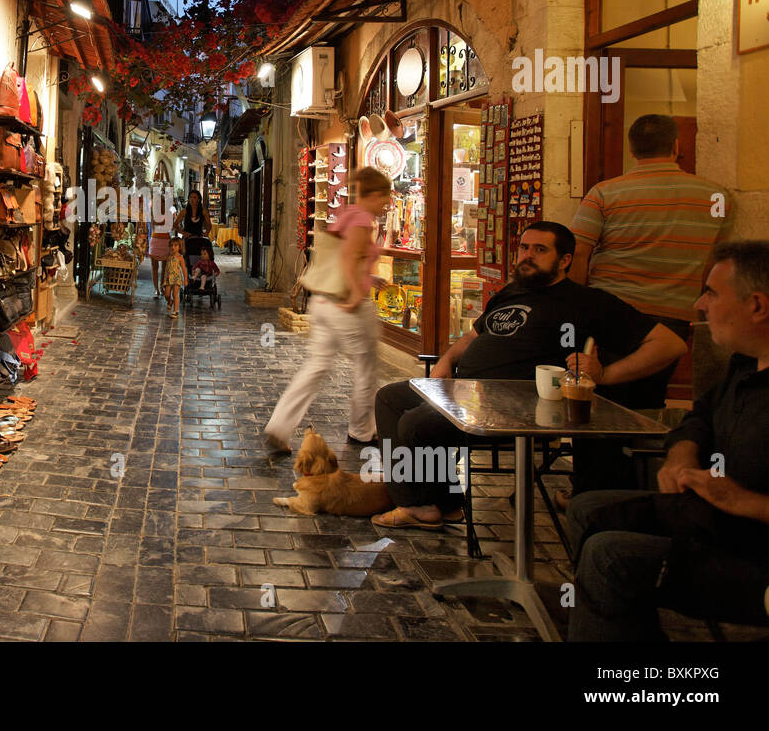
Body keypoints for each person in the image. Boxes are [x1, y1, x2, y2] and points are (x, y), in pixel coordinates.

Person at [370, 221, 687, 529]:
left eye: (539, 249)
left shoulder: (588, 303)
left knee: (418, 422)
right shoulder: (511, 293)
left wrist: (604, 375)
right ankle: (433, 504)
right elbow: (474, 336)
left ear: (564, 260)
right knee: (391, 398)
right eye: (523, 248)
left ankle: (429, 504)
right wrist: (447, 360)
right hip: (468, 390)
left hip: (519, 405)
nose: (527, 255)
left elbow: (670, 344)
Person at [567, 241, 769, 641]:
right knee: (586, 508)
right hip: (710, 517)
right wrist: (681, 454)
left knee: (609, 556)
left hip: (752, 551)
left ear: (757, 306)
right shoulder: (744, 363)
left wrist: (744, 501)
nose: (699, 305)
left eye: (711, 292)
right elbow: (699, 418)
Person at [567, 113, 727, 496]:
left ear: (631, 148)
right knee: (646, 405)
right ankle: (632, 485)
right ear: (676, 147)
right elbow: (715, 258)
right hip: (673, 317)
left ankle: (591, 491)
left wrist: (579, 308)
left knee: (596, 404)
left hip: (613, 312)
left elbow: (579, 255)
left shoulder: (605, 193)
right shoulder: (715, 197)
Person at [264, 167, 393, 453]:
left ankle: (279, 426)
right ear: (371, 194)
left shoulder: (346, 214)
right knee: (366, 368)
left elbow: (342, 259)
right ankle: (361, 429)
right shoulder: (362, 219)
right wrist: (356, 295)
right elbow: (349, 259)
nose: (387, 202)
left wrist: (369, 279)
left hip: (322, 301)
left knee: (316, 367)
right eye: (384, 195)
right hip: (345, 305)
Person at [174, 188, 214, 265]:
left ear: (199, 199)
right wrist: (183, 232)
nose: (192, 199)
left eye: (194, 197)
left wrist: (207, 232)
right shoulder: (184, 211)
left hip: (199, 237)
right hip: (187, 238)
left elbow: (209, 225)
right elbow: (175, 225)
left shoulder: (203, 211)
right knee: (187, 257)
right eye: (190, 197)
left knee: (204, 253)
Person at [164, 237, 187, 316]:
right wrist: (150, 255)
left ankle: (176, 311)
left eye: (175, 245)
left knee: (175, 294)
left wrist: (186, 279)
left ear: (180, 247)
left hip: (177, 278)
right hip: (168, 278)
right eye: (171, 245)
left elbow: (184, 269)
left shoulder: (180, 258)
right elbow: (159, 258)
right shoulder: (168, 256)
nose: (173, 247)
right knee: (166, 295)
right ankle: (170, 302)